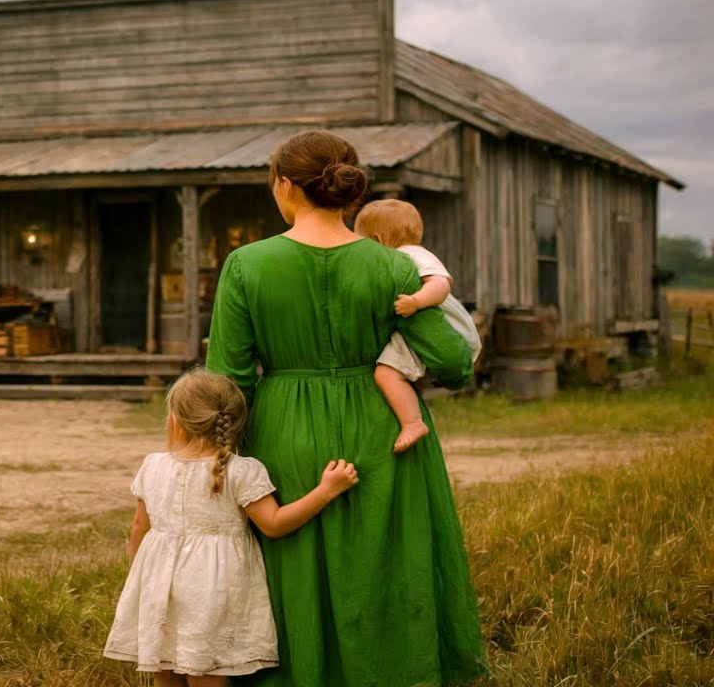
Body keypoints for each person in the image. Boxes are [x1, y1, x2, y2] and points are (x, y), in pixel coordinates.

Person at [206, 130, 487, 686]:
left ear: (285, 185)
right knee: (388, 560)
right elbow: (454, 363)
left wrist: (219, 457)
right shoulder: (395, 268)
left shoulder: (247, 264)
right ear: (348, 190)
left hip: (283, 425)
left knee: (296, 558)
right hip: (386, 428)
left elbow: (229, 380)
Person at [103, 368, 360, 686]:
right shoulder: (242, 471)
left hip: (159, 586)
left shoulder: (153, 465)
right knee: (207, 672)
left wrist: (141, 578)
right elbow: (275, 524)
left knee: (164, 671)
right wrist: (326, 491)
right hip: (213, 590)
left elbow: (139, 527)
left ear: (176, 419)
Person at [354, 198, 483, 452]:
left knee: (386, 374)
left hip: (448, 329)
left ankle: (413, 422)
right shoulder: (402, 257)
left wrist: (416, 301)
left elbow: (442, 284)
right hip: (432, 325)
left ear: (378, 241)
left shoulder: (410, 255)